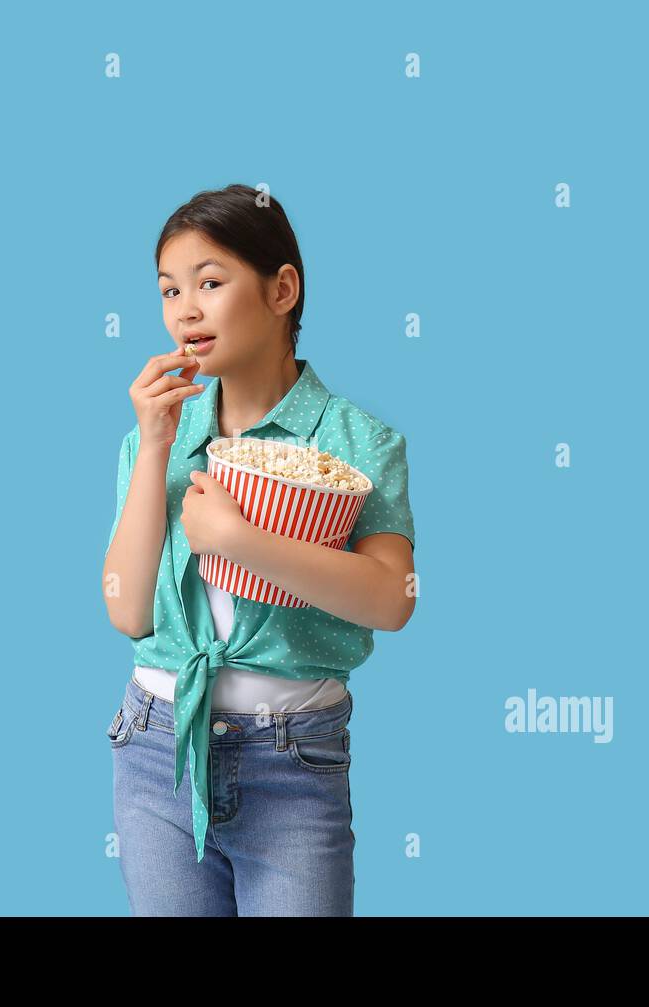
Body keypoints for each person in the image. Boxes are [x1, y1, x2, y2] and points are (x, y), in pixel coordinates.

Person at [101, 184, 417, 916]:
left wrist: (243, 541)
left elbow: (391, 598)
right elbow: (125, 609)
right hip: (158, 752)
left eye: (210, 283)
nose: (185, 308)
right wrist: (153, 446)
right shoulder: (158, 437)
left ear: (283, 289)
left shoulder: (357, 441)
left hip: (294, 760)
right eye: (169, 290)